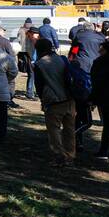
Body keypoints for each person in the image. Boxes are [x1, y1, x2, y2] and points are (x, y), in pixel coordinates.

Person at [33, 38, 76, 166]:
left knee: (54, 130)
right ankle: (70, 155)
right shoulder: (62, 59)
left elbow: (39, 85)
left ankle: (59, 155)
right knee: (69, 129)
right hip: (69, 98)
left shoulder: (40, 64)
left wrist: (42, 99)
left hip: (53, 100)